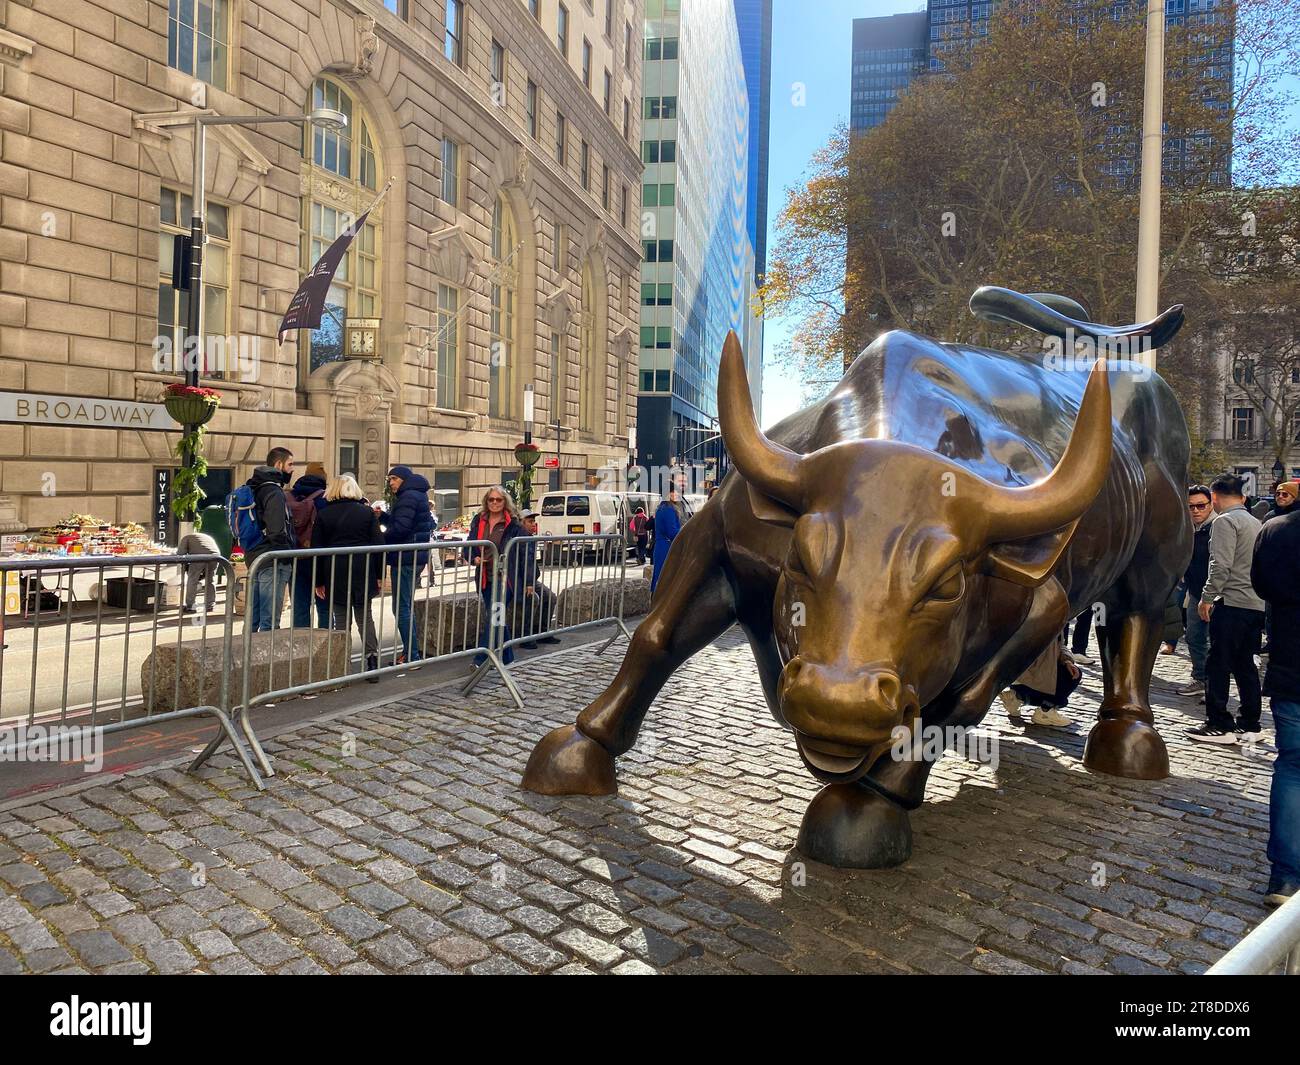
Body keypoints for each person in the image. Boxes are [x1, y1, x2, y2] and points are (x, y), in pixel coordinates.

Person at [1190, 474, 1266, 744]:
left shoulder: (1225, 521)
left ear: (1215, 497)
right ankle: (1250, 722)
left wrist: (1207, 597)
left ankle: (1219, 723)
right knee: (1245, 665)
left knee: (1217, 664)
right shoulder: (1255, 522)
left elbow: (1220, 564)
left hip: (1232, 601)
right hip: (1254, 604)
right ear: (1242, 496)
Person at [1251, 500, 1300, 906]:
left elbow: (1263, 586)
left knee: (1292, 767)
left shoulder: (1276, 530)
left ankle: (1285, 878)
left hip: (1291, 669)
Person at [312, 474, 384, 682]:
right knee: (365, 617)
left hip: (335, 569)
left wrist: (319, 581)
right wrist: (379, 575)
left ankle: (342, 664)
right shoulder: (366, 513)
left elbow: (317, 549)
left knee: (341, 619)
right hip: (363, 568)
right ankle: (372, 660)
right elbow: (379, 544)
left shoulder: (324, 514)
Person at [376, 465, 433, 664]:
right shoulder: (416, 495)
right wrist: (383, 517)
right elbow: (404, 523)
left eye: (394, 479)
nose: (390, 483)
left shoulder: (408, 496)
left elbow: (400, 529)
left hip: (406, 557)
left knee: (401, 608)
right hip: (413, 556)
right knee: (404, 606)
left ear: (403, 479)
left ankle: (412, 654)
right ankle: (411, 651)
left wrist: (379, 538)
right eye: (389, 479)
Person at [467, 486, 528, 666]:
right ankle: (507, 658)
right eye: (491, 499)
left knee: (493, 616)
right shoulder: (479, 520)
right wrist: (473, 557)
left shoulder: (514, 524)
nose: (494, 503)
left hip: (506, 579)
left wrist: (529, 581)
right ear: (486, 501)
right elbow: (470, 544)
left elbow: (526, 553)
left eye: (498, 500)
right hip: (485, 577)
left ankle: (480, 659)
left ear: (505, 502)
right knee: (496, 616)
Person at [245, 447, 295, 632]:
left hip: (254, 555)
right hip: (272, 559)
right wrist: (285, 555)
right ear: (278, 464)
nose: (292, 469)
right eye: (290, 464)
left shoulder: (253, 487)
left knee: (252, 618)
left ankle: (246, 656)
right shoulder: (273, 491)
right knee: (270, 620)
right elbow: (277, 529)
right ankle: (266, 660)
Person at [1176, 484, 1216, 698]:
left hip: (1218, 595)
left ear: (1211, 505)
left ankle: (1216, 686)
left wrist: (1210, 595)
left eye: (1201, 505)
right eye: (1190, 506)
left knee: (1217, 643)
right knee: (1194, 637)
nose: (1196, 510)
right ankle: (1200, 678)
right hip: (1195, 592)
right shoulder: (1187, 529)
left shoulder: (1218, 526)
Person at [1000, 638, 1081, 728]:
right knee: (1071, 676)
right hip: (1029, 672)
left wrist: (1067, 660)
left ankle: (1017, 697)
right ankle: (1046, 710)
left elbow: (1060, 644)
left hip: (1015, 674)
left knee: (1068, 670)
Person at [288, 462, 329, 629]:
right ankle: (327, 651)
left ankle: (301, 649)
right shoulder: (325, 499)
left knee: (300, 608)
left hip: (295, 556)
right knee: (325, 608)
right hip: (319, 557)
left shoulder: (291, 495)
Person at [512, 510, 561, 648]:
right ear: (521, 523)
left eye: (534, 521)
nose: (533, 524)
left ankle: (542, 632)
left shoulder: (530, 538)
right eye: (530, 521)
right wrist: (527, 583)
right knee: (533, 599)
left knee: (550, 597)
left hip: (530, 579)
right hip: (519, 580)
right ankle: (526, 636)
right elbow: (524, 562)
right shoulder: (520, 539)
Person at [176, 528, 220, 617]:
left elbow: (180, 554)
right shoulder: (206, 537)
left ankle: (190, 606)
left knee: (192, 580)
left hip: (199, 556)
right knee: (210, 580)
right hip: (216, 556)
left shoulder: (185, 538)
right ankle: (210, 605)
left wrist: (186, 567)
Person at [651, 489, 682, 594]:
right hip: (667, 546)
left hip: (661, 545)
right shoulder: (669, 510)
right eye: (674, 492)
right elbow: (672, 532)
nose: (677, 494)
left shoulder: (661, 508)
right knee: (665, 576)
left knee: (659, 575)